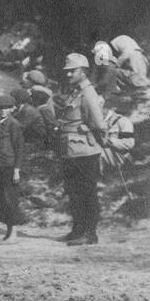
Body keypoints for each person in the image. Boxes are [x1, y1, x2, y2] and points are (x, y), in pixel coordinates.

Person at [57, 52, 106, 245]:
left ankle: (89, 233)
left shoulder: (87, 93)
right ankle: (77, 230)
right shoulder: (76, 91)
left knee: (87, 192)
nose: (68, 75)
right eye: (67, 72)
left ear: (83, 71)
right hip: (71, 151)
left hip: (85, 150)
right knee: (73, 191)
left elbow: (99, 123)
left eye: (73, 71)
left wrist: (96, 138)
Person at [0, 94, 26, 242]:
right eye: (0, 108)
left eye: (6, 108)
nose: (3, 111)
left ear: (12, 109)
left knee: (10, 200)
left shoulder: (13, 124)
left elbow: (19, 148)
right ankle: (8, 232)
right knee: (2, 200)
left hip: (9, 166)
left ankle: (14, 234)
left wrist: (17, 169)